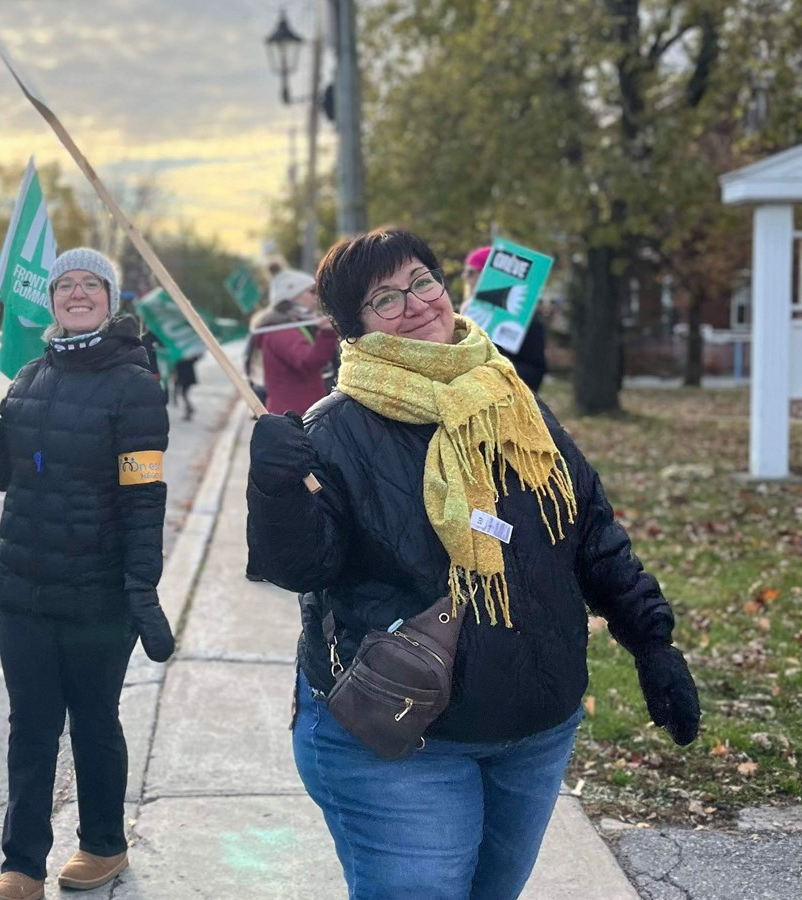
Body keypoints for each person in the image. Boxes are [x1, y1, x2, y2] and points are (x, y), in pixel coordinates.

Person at [246, 228, 700, 900]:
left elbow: (590, 530)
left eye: (423, 280)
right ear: (352, 327)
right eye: (386, 298)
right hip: (403, 735)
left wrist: (651, 640)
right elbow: (300, 567)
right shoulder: (334, 428)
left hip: (534, 728)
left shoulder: (510, 400)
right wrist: (274, 490)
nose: (418, 303)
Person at [0, 248, 176, 900]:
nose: (76, 293)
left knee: (95, 721)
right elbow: (6, 475)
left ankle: (103, 845)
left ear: (110, 298)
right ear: (51, 300)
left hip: (98, 592)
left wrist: (141, 587)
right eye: (65, 285)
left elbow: (143, 496)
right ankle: (22, 867)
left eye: (90, 285)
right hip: (20, 585)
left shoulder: (136, 385)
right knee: (31, 726)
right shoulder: (28, 375)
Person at [248, 268, 339, 415]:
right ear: (293, 296)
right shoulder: (281, 330)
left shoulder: (291, 324)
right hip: (293, 416)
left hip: (297, 412)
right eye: (310, 292)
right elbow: (307, 362)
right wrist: (327, 334)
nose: (315, 298)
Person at [463, 245, 548, 392]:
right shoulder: (462, 314)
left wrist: (493, 364)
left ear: (487, 275)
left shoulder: (526, 322)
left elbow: (534, 373)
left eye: (471, 272)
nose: (465, 278)